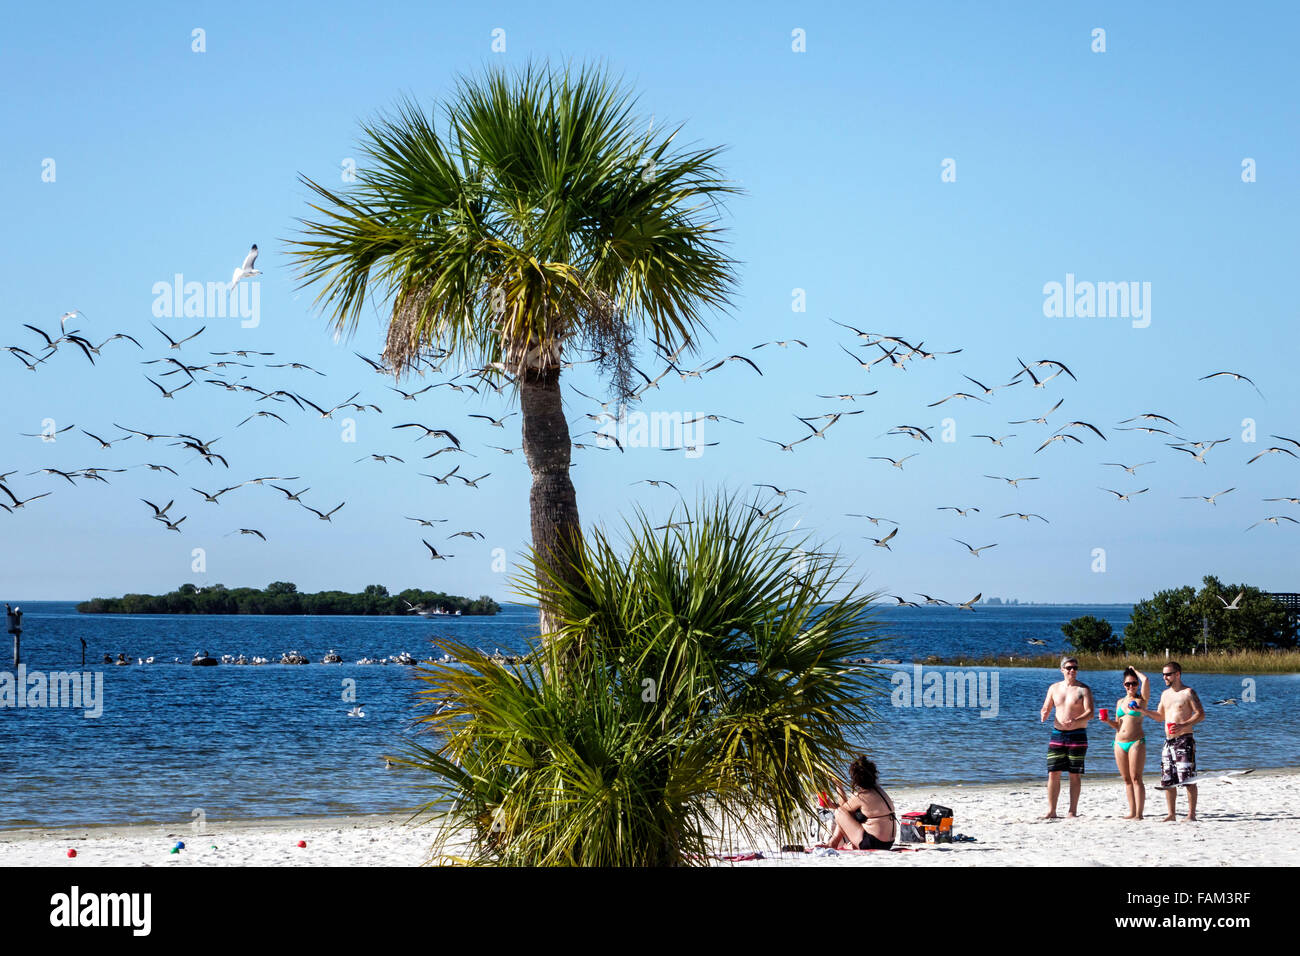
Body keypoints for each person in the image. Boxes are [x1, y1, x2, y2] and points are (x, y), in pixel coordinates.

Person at [1141, 661, 1205, 821]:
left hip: (1184, 740)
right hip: (1168, 741)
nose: (1165, 677)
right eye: (1163, 674)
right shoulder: (1165, 694)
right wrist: (1143, 711)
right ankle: (1171, 814)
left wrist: (1184, 724)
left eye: (1168, 674)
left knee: (1188, 778)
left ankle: (1191, 814)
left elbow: (1200, 714)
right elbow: (1160, 716)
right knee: (1167, 779)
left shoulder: (1188, 692)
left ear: (1177, 674)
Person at [1039, 656, 1094, 818]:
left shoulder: (1083, 689)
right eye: (1069, 668)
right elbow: (1046, 706)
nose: (1072, 671)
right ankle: (1052, 810)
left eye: (1075, 668)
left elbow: (1090, 713)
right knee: (1053, 772)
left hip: (1077, 735)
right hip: (1058, 734)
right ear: (1062, 669)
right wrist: (1044, 713)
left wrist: (1076, 720)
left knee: (1074, 773)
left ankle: (1072, 810)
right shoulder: (1054, 688)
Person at [820, 756, 897, 850]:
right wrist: (832, 805)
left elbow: (842, 810)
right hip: (888, 843)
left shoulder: (861, 796)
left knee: (839, 812)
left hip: (874, 843)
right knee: (848, 812)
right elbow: (847, 807)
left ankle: (833, 843)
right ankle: (834, 842)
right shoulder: (879, 790)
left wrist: (838, 785)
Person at [1103, 666, 1149, 819]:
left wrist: (1135, 671)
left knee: (1136, 778)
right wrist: (1108, 721)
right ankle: (1132, 811)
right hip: (1119, 743)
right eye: (1127, 684)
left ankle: (1139, 814)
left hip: (1136, 742)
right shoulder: (1120, 702)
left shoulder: (1141, 700)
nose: (1131, 687)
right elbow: (1118, 724)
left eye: (1134, 683)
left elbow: (1146, 680)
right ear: (1123, 685)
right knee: (1127, 779)